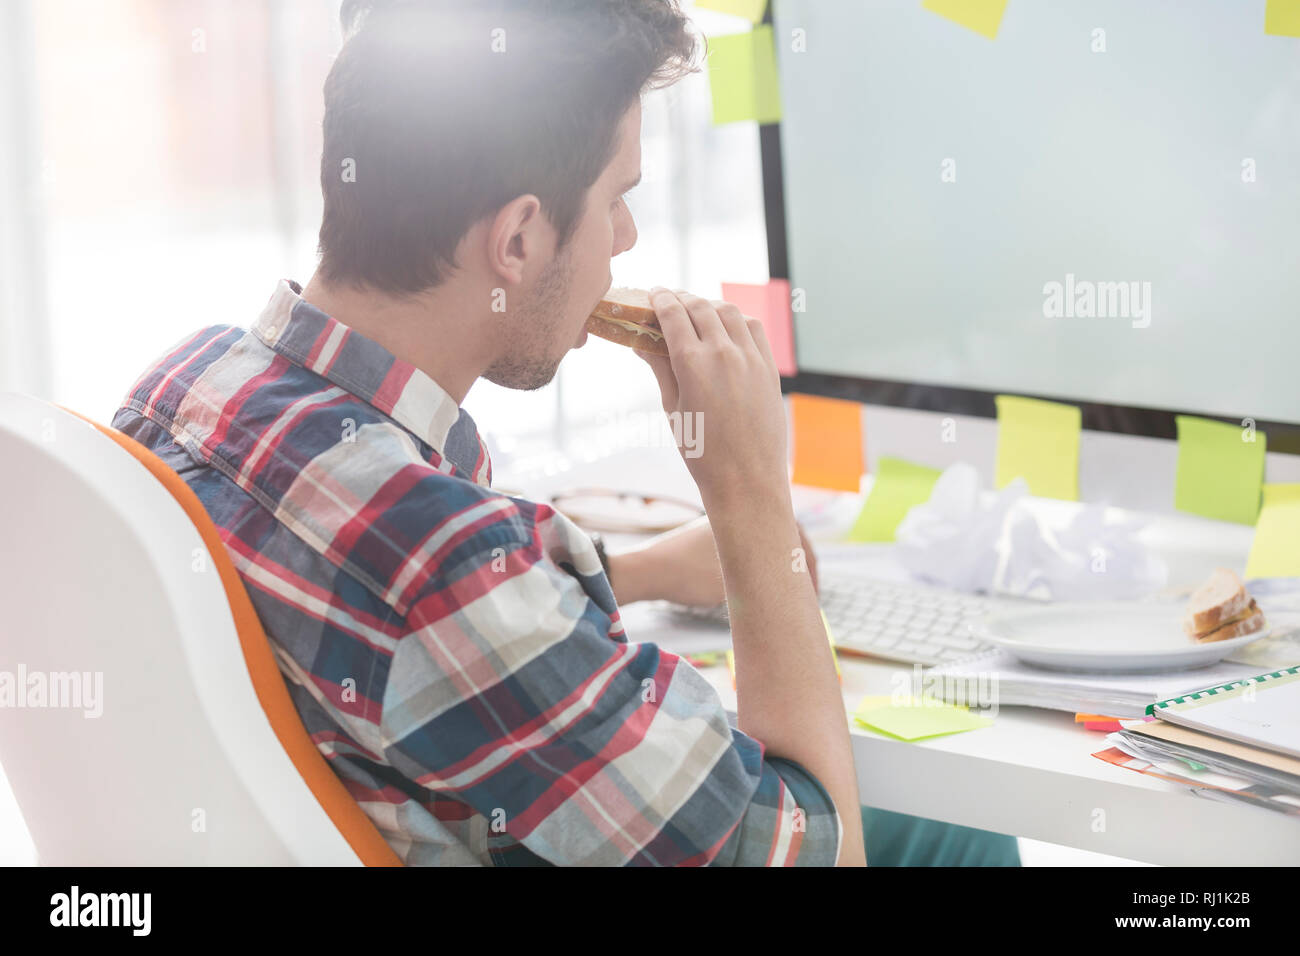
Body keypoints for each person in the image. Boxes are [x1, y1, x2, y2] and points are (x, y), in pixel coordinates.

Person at [112, 0, 1016, 867]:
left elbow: (363, 591)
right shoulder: (449, 564)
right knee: (957, 836)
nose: (624, 238)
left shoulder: (184, 386)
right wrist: (749, 495)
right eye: (617, 197)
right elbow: (819, 850)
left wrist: (647, 568)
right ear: (518, 241)